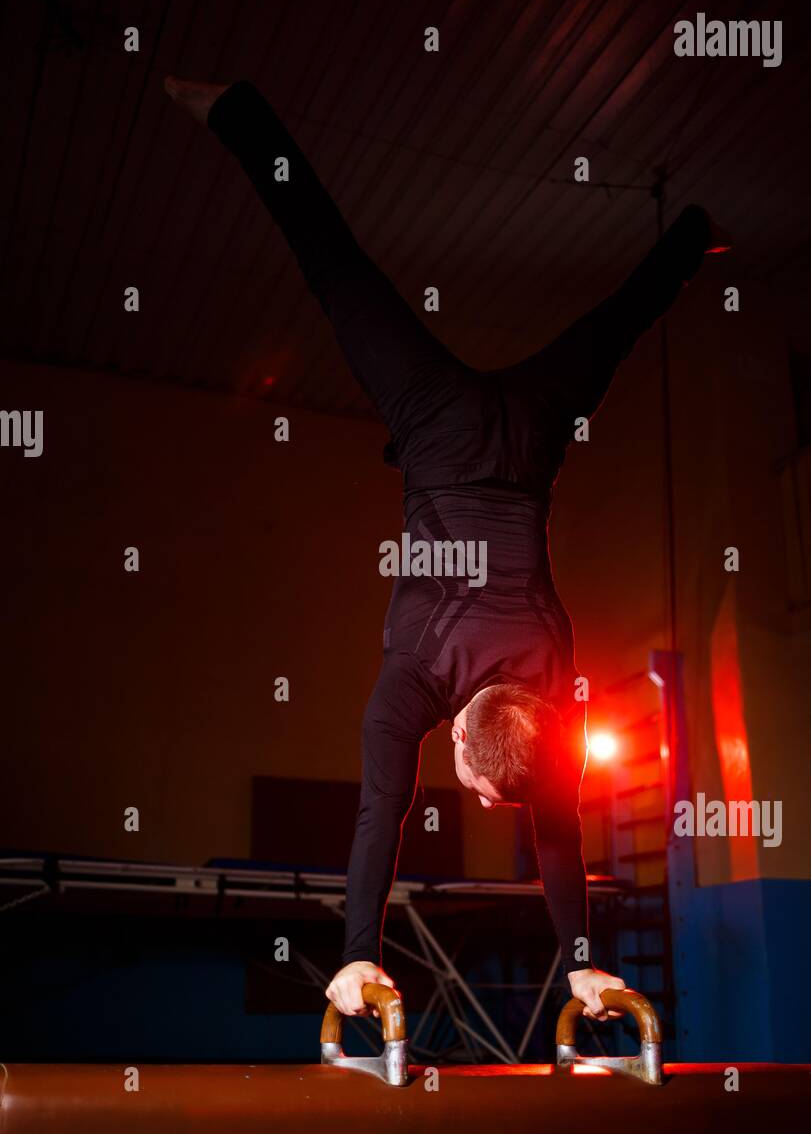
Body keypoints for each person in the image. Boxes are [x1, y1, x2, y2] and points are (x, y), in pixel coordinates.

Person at [165, 75, 730, 1026]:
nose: (471, 796)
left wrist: (583, 963)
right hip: (437, 430)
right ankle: (237, 113)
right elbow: (379, 815)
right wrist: (355, 959)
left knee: (613, 329)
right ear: (461, 736)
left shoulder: (550, 696)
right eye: (475, 784)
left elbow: (554, 830)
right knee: (334, 271)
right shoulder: (414, 680)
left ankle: (688, 240)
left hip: (529, 439)